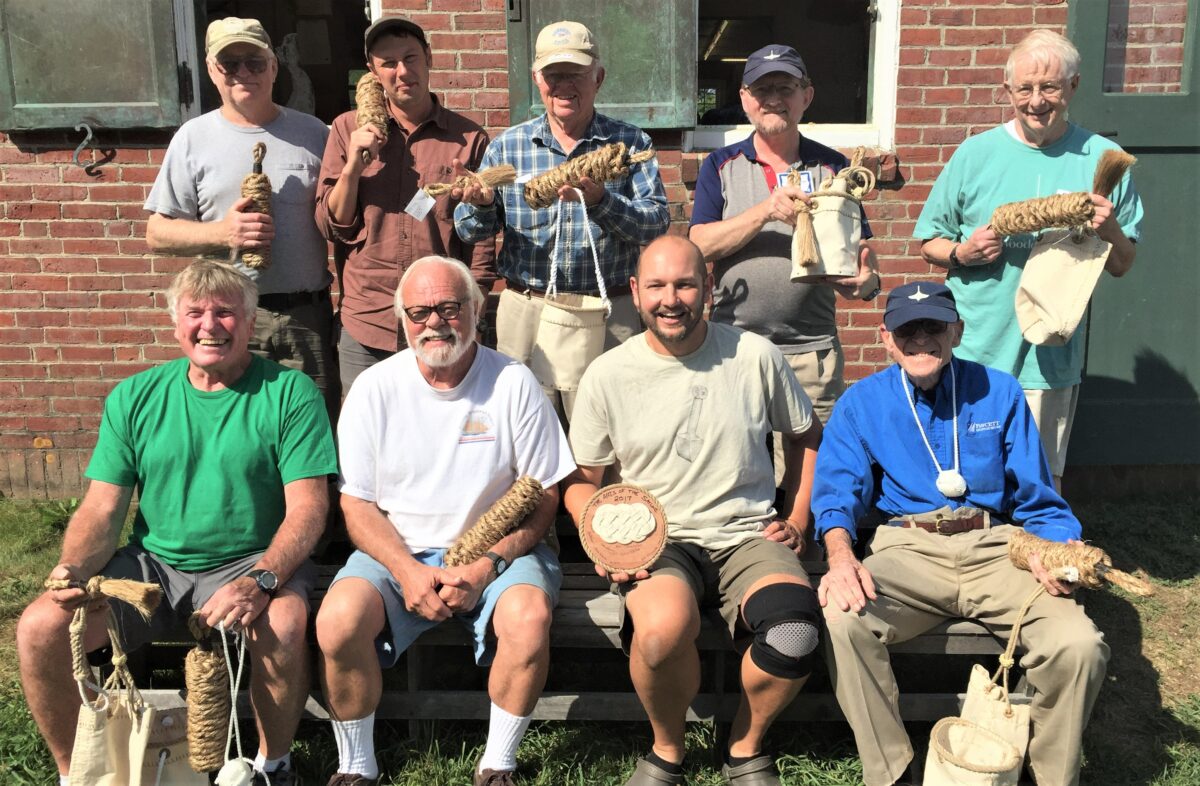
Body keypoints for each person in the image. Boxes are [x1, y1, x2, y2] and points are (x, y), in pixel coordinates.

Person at [16, 260, 338, 786]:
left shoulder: (290, 393)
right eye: (195, 313)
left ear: (250, 322)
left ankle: (272, 765)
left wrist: (263, 579)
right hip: (154, 568)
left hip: (253, 560)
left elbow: (308, 508)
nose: (210, 325)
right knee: (40, 628)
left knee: (282, 623)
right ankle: (76, 771)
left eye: (225, 312)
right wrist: (73, 567)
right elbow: (102, 508)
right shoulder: (135, 396)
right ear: (175, 324)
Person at [813, 281, 1109, 786]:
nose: (920, 339)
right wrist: (841, 558)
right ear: (886, 339)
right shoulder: (861, 402)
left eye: (933, 326)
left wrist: (1058, 548)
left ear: (957, 331)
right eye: (907, 329)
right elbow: (836, 493)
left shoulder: (1000, 391)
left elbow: (1037, 495)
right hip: (907, 548)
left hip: (996, 547)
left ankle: (1048, 775)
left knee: (1078, 645)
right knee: (843, 618)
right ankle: (893, 772)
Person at [564, 236, 823, 786]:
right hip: (656, 540)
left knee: (795, 632)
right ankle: (667, 749)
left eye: (684, 284)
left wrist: (798, 519)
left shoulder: (755, 356)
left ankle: (744, 747)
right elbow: (582, 482)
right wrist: (605, 541)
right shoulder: (607, 373)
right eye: (656, 286)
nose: (670, 299)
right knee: (661, 633)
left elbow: (806, 437)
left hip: (748, 535)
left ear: (708, 288)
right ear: (635, 292)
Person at [316, 255, 574, 786]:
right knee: (337, 621)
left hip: (500, 555)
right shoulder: (374, 388)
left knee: (527, 619)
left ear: (477, 310)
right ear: (402, 320)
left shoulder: (513, 382)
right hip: (397, 549)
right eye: (419, 312)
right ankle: (356, 767)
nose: (434, 322)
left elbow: (545, 494)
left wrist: (486, 565)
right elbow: (357, 505)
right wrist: (407, 571)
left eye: (449, 308)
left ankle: (498, 765)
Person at [914, 30, 1144, 490]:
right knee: (962, 477)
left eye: (1050, 87)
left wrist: (1110, 230)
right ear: (1008, 91)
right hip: (974, 348)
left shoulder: (1104, 160)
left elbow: (1122, 263)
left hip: (1049, 353)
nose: (1036, 101)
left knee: (1038, 482)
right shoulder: (975, 154)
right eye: (1025, 88)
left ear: (1073, 86)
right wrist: (962, 252)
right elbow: (928, 242)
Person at [454, 20, 669, 420]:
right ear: (537, 79)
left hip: (609, 311)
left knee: (612, 424)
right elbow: (468, 230)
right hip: (528, 310)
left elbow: (656, 223)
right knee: (527, 424)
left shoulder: (629, 144)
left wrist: (602, 202)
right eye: (553, 74)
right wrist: (481, 206)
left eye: (576, 74)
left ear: (598, 78)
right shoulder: (508, 147)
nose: (563, 85)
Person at [145, 17, 337, 417]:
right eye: (230, 64)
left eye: (254, 61)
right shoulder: (192, 138)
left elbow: (342, 213)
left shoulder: (315, 134)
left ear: (274, 66)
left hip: (305, 317)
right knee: (236, 429)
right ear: (212, 70)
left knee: (312, 426)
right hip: (225, 319)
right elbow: (157, 233)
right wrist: (222, 233)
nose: (243, 72)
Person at [690, 45, 879, 427]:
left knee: (810, 459)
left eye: (785, 88)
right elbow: (699, 245)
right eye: (762, 89)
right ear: (745, 98)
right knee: (738, 458)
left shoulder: (834, 167)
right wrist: (765, 211)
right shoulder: (719, 165)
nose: (773, 99)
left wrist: (868, 281)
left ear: (806, 96)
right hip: (734, 348)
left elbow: (860, 250)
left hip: (812, 353)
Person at [316, 16, 495, 393]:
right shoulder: (347, 130)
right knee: (368, 425)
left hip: (442, 322)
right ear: (372, 70)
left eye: (411, 58)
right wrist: (354, 166)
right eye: (388, 63)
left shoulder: (468, 139)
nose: (402, 71)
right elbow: (332, 226)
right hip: (368, 322)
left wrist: (474, 312)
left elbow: (481, 239)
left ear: (429, 57)